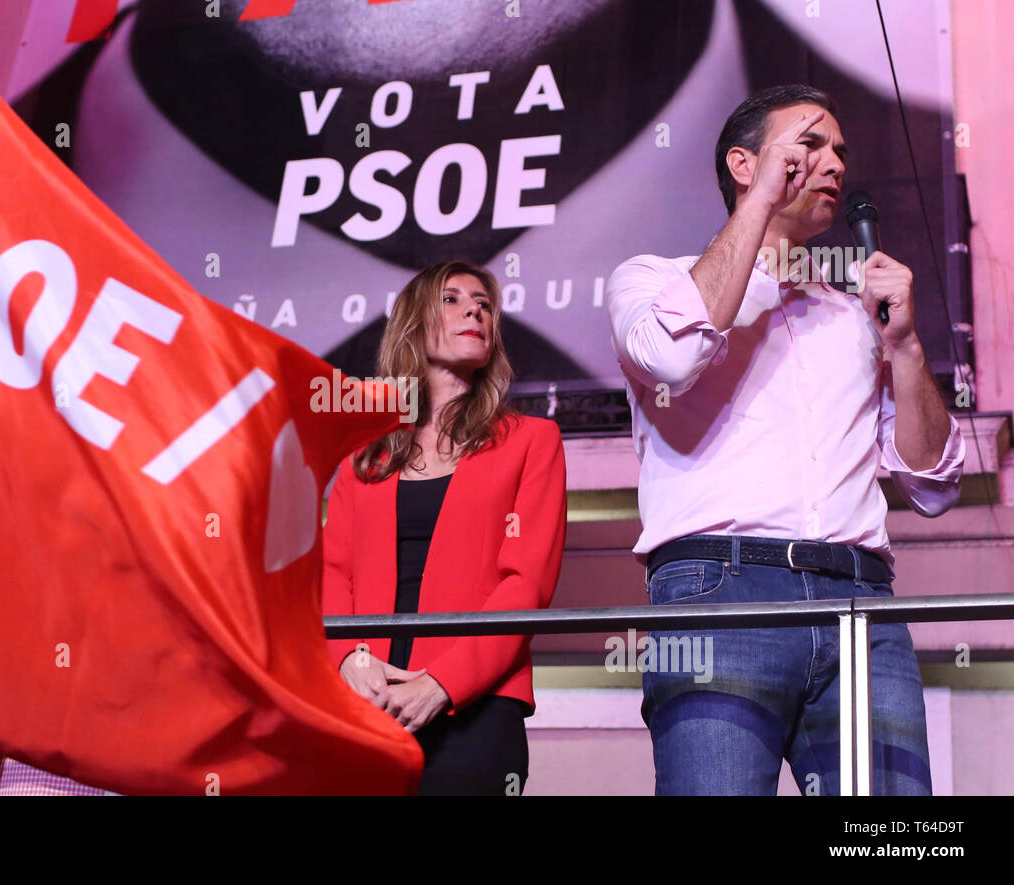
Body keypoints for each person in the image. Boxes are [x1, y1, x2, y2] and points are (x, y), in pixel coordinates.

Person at [605, 85, 964, 795]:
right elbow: (674, 358)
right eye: (809, 145)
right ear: (745, 163)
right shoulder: (652, 279)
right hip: (717, 591)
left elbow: (933, 484)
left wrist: (907, 345)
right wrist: (760, 207)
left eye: (840, 152)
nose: (834, 163)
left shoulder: (857, 315)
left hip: (861, 601)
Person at [322, 260, 566, 796]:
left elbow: (525, 584)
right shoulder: (364, 457)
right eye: (452, 299)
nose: (474, 310)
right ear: (414, 322)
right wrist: (350, 660)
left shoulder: (532, 441)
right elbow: (333, 576)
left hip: (475, 712)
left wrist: (441, 685)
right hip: (365, 703)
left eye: (483, 304)